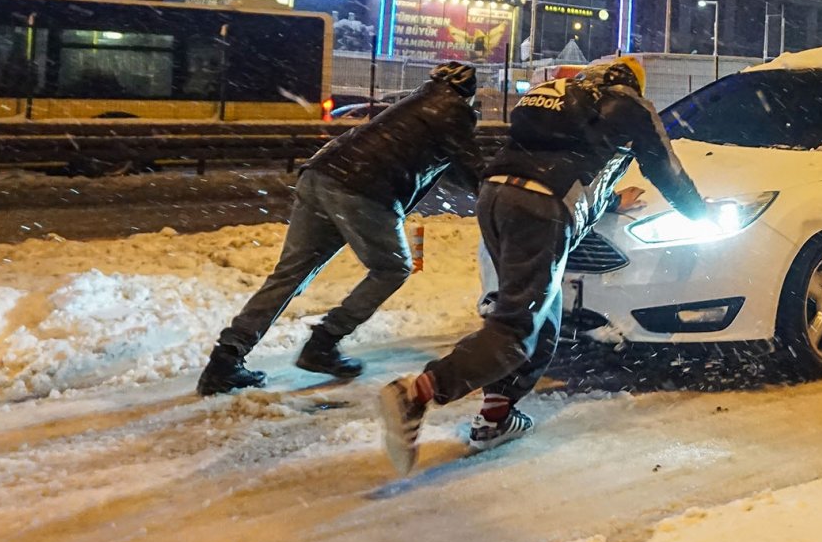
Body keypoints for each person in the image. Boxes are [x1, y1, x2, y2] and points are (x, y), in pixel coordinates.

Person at [378, 56, 708, 470]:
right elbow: (665, 167)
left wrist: (606, 199)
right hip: (540, 208)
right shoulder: (628, 103)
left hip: (496, 195)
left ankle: (496, 417)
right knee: (516, 327)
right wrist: (701, 214)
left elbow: (563, 160)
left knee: (540, 321)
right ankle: (419, 392)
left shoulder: (565, 98)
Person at [196, 61, 486, 396]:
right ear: (468, 92)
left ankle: (225, 358)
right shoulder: (454, 114)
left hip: (321, 174)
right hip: (361, 189)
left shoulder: (413, 104)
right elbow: (473, 169)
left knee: (290, 272)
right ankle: (324, 342)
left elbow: (439, 162)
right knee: (393, 268)